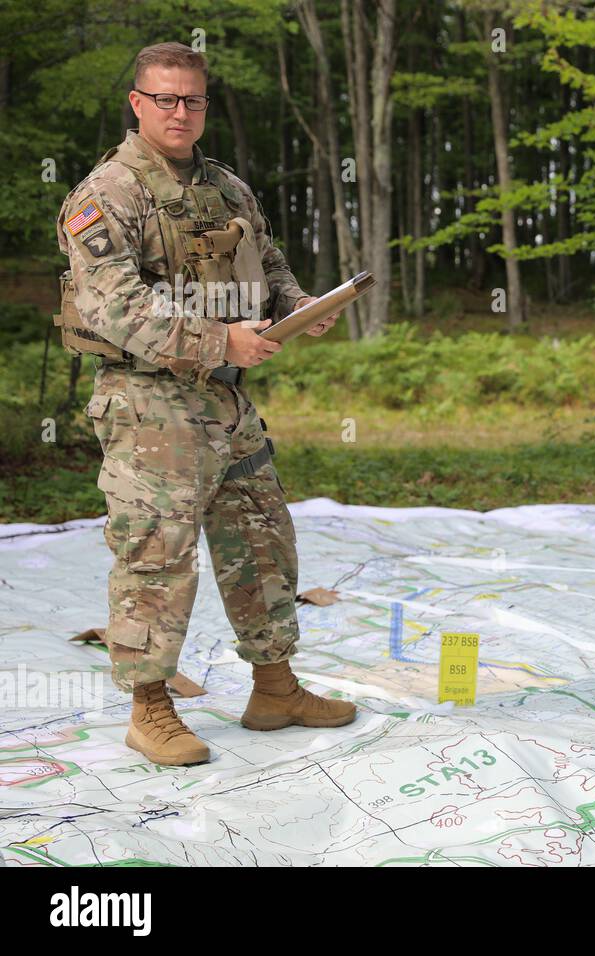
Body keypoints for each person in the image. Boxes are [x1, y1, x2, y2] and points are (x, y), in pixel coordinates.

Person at [56, 41, 355, 766]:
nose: (180, 112)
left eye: (192, 100)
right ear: (138, 103)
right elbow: (115, 307)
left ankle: (275, 687)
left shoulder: (228, 188)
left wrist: (303, 305)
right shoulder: (108, 194)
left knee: (262, 540)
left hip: (226, 405)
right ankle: (149, 709)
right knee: (156, 557)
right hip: (148, 404)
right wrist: (222, 340)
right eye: (165, 98)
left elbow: (271, 268)